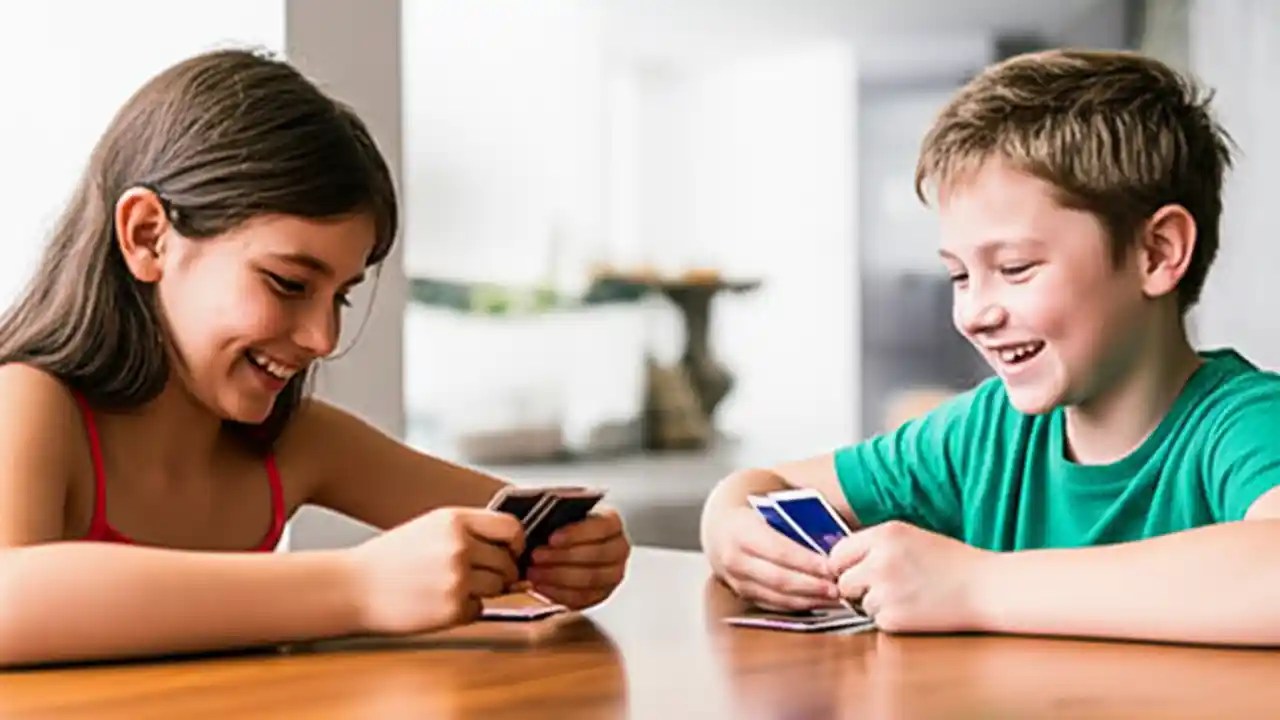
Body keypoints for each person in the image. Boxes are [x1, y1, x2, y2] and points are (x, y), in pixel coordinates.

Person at [0, 48, 630, 667]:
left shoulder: (295, 442)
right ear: (149, 236)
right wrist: (359, 587)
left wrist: (582, 551)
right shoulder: (28, 402)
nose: (322, 338)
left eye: (341, 297)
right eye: (288, 284)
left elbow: (534, 522)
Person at [701, 49, 1280, 646]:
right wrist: (727, 525)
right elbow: (761, 484)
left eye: (1015, 267)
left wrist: (974, 585)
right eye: (959, 276)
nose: (975, 313)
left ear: (1156, 253)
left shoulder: (1246, 423)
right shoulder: (981, 436)